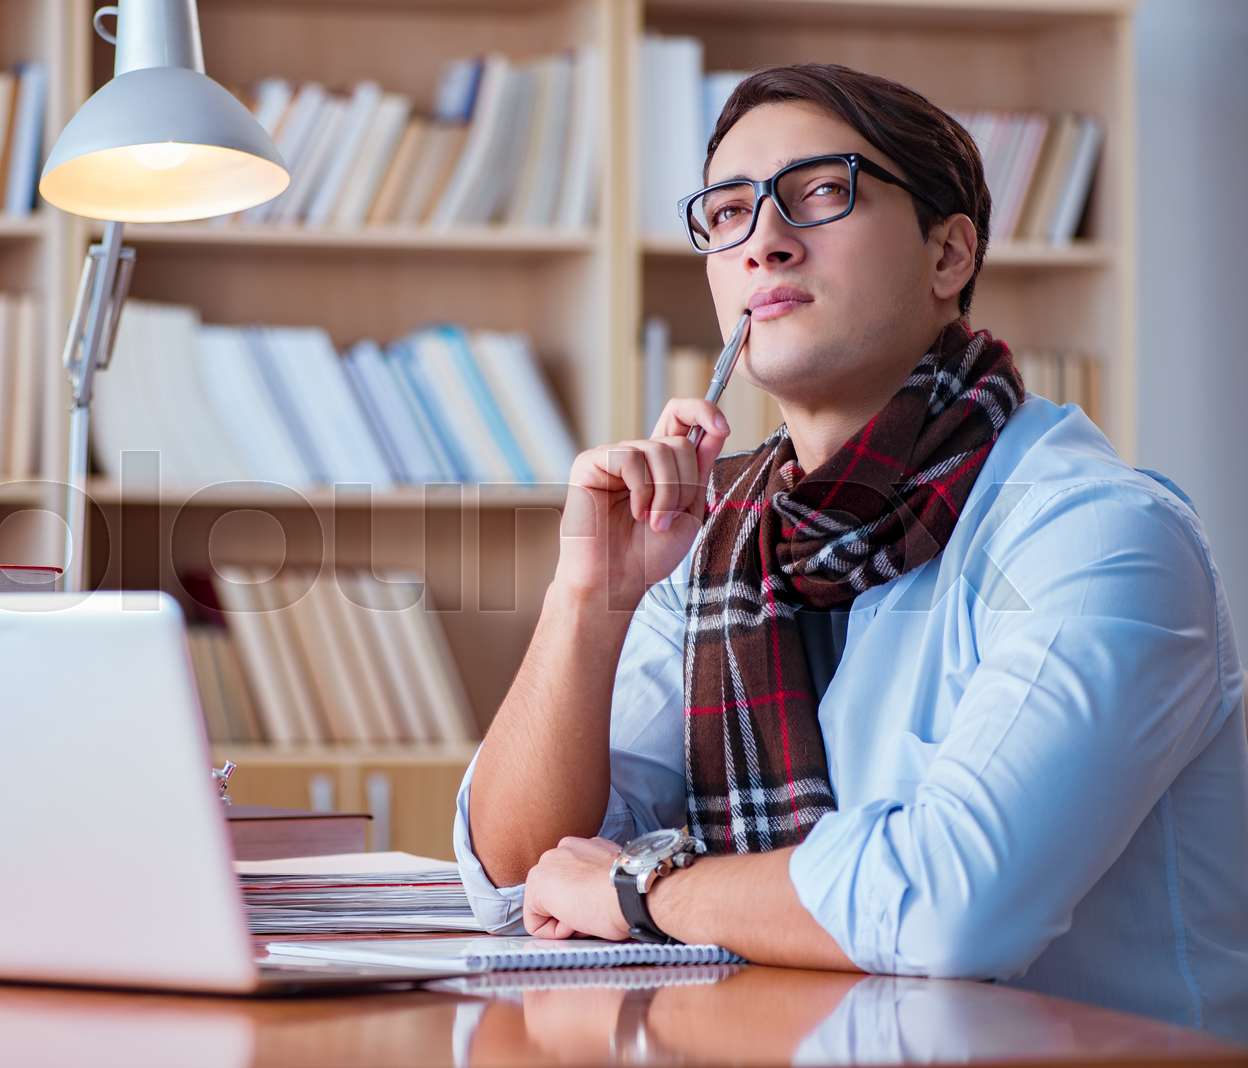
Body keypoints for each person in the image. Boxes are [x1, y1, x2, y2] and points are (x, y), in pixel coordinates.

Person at [453, 63, 1248, 1038]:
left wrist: (643, 885)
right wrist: (589, 597)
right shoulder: (712, 545)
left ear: (948, 254)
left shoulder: (1099, 533)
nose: (764, 241)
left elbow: (948, 908)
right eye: (729, 211)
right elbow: (518, 882)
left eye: (823, 191)